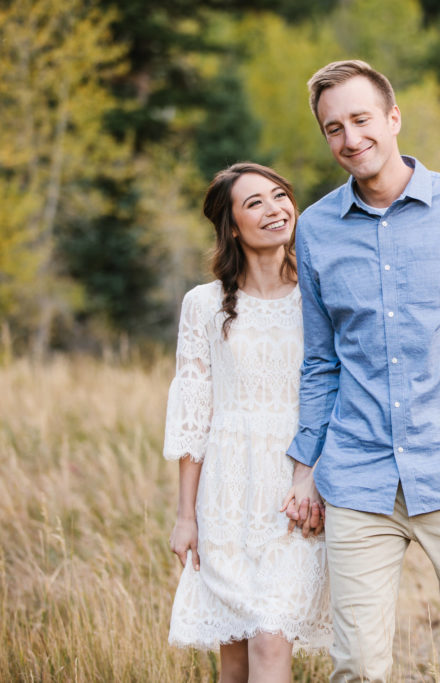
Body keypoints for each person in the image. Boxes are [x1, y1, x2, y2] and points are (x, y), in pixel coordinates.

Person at [283, 60, 440, 682]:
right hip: (358, 479)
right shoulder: (314, 230)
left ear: (393, 119)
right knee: (358, 668)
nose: (350, 138)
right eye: (333, 128)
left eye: (361, 119)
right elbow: (320, 363)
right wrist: (305, 468)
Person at [164, 163, 331, 683]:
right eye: (254, 202)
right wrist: (186, 515)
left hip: (296, 487)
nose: (274, 208)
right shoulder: (203, 306)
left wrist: (319, 478)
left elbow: (338, 395)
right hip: (227, 493)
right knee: (234, 650)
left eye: (280, 195)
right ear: (232, 226)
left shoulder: (320, 298)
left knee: (268, 633)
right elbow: (194, 415)